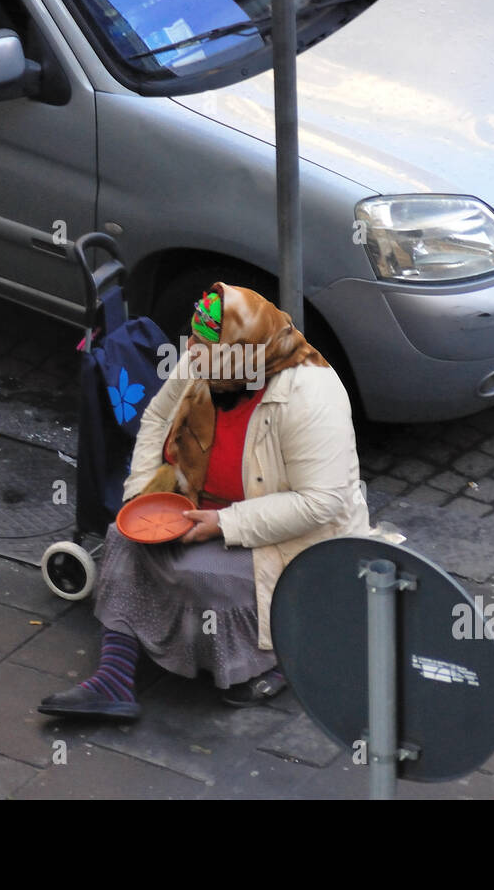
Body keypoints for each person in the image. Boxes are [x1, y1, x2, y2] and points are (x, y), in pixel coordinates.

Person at [38, 282, 370, 720]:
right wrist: (141, 492)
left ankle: (280, 655)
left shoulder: (310, 396)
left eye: (202, 344)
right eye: (192, 338)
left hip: (294, 538)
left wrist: (224, 525)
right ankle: (114, 680)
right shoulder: (211, 359)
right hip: (203, 506)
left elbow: (321, 502)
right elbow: (157, 416)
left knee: (198, 572)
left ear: (244, 353)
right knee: (124, 535)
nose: (190, 351)